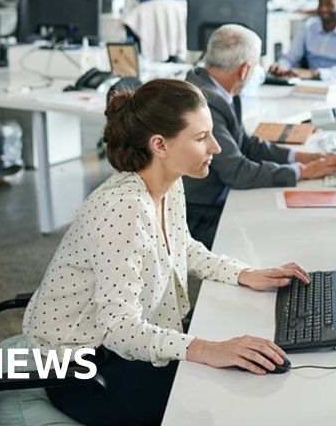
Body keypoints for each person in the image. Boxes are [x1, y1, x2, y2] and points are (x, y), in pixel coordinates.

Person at [24, 78, 311, 425]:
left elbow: (180, 246)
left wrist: (243, 273)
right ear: (159, 144)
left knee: (237, 382)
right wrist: (207, 349)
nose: (216, 147)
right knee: (220, 403)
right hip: (82, 370)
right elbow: (119, 329)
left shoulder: (167, 184)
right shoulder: (124, 210)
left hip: (117, 348)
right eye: (201, 137)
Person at [184, 25, 336, 246]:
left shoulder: (217, 88)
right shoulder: (206, 102)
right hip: (202, 215)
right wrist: (303, 172)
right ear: (244, 70)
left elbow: (246, 144)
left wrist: (298, 157)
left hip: (221, 199)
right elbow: (238, 172)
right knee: (281, 232)